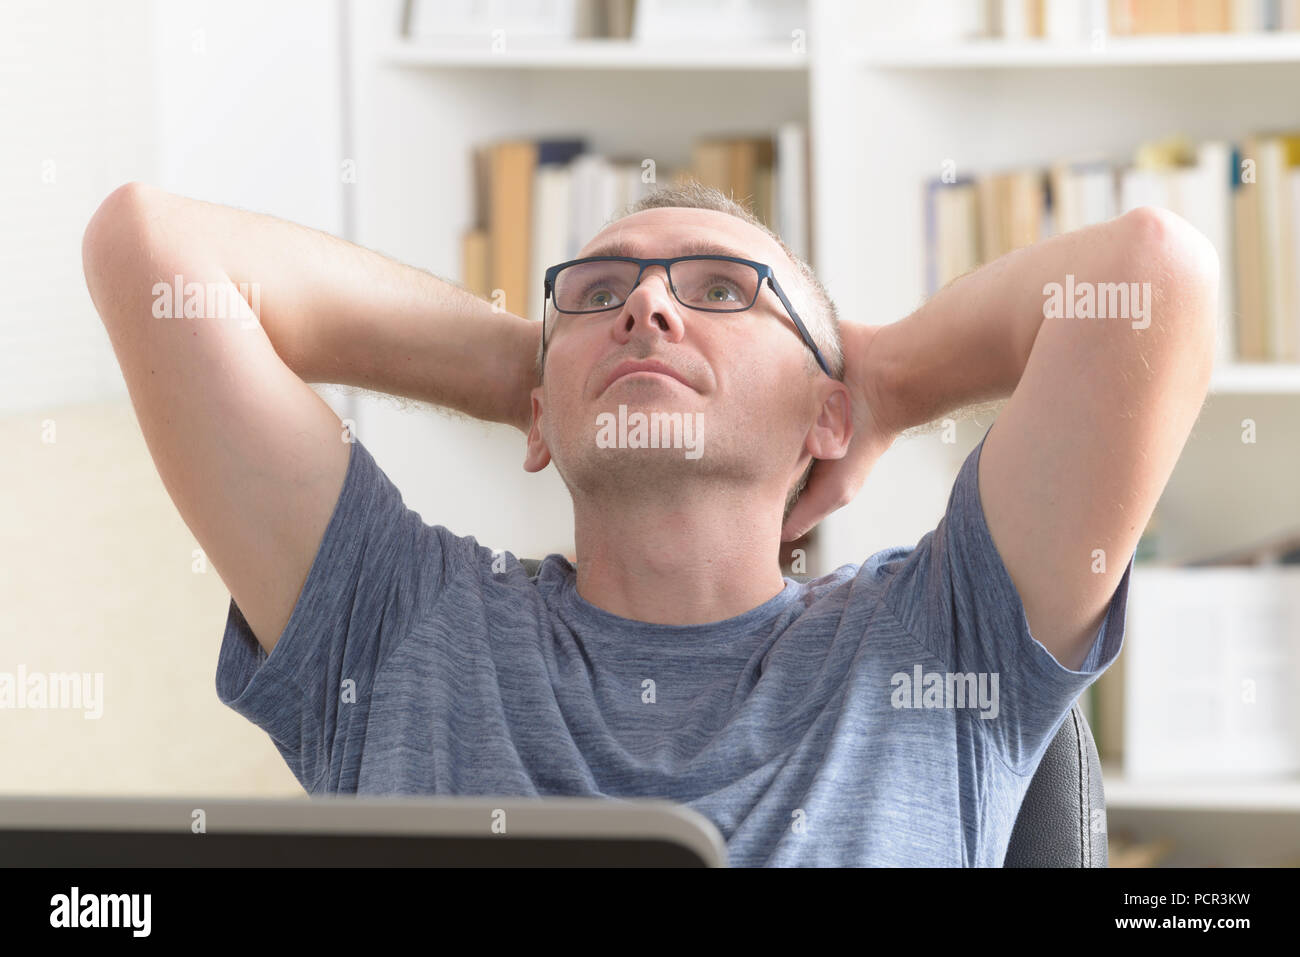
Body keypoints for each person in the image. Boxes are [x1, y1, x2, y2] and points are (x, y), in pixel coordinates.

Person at [81, 178, 1217, 866]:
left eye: (721, 292)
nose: (649, 303)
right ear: (530, 413)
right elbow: (148, 253)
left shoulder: (941, 635)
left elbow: (1152, 275)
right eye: (597, 290)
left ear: (826, 414)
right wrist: (537, 372)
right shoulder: (396, 627)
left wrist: (889, 386)